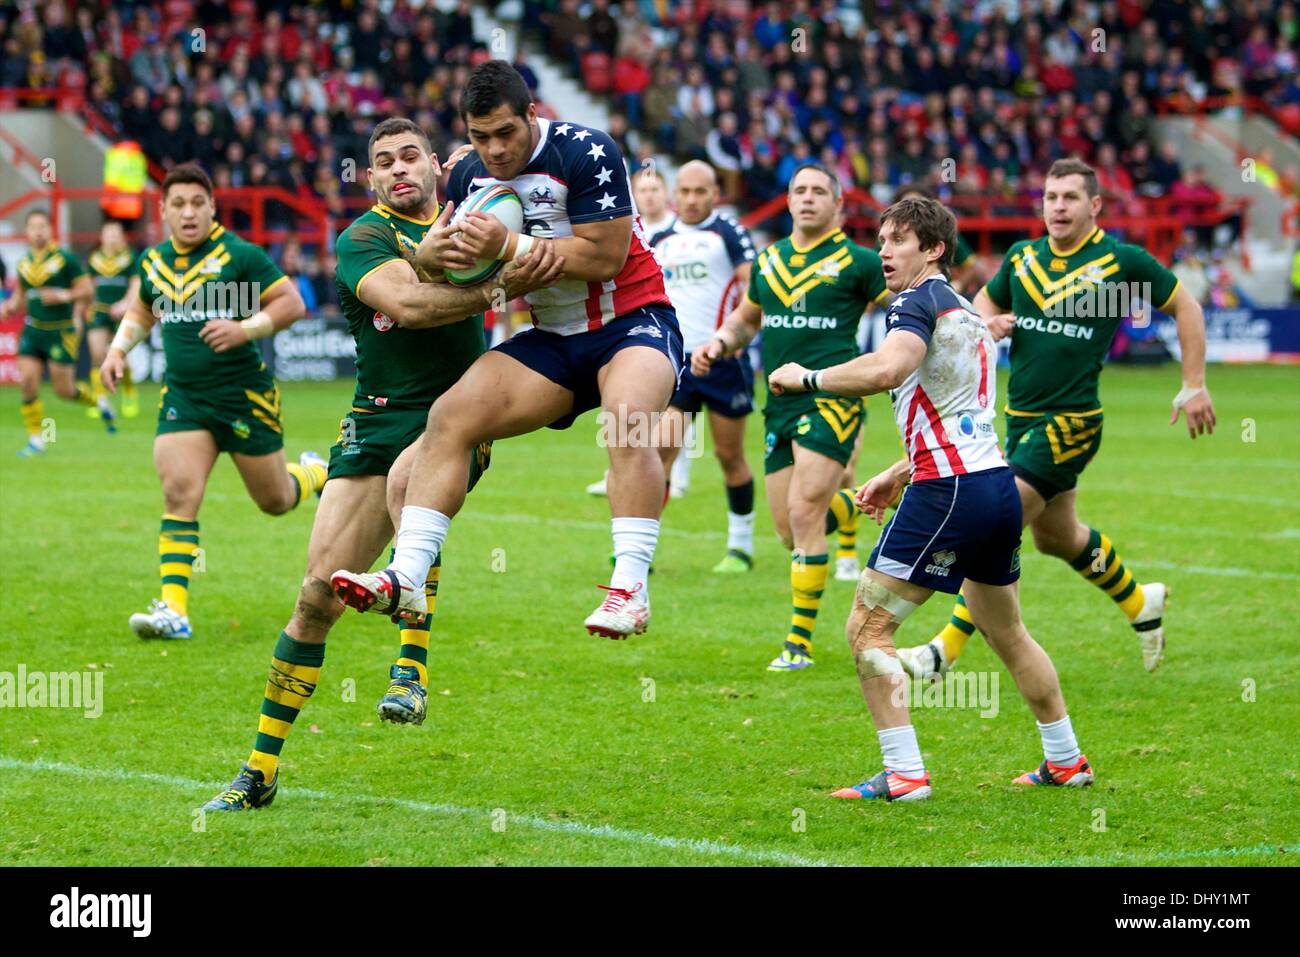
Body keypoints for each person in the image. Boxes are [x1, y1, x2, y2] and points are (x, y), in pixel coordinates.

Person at [201, 119, 564, 811]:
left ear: (433, 164)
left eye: (409, 157)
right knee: (314, 595)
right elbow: (410, 304)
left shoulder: (477, 213)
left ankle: (411, 667)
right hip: (372, 419)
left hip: (457, 413)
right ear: (368, 177)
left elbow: (522, 175)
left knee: (411, 486)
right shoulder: (362, 238)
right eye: (382, 162)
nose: (397, 169)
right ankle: (259, 769)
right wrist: (497, 289)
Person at [330, 60, 680, 640]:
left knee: (628, 420)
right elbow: (465, 273)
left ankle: (629, 588)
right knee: (450, 417)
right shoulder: (469, 176)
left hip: (632, 319)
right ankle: (407, 574)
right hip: (553, 338)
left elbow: (605, 257)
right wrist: (432, 256)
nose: (492, 150)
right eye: (478, 136)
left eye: (505, 133)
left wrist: (511, 243)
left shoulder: (586, 150)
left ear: (532, 116)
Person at [767, 196, 1094, 800]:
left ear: (933, 249)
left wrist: (806, 378)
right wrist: (899, 470)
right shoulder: (966, 310)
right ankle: (1067, 759)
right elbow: (957, 415)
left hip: (950, 493)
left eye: (898, 240)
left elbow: (890, 370)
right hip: (993, 484)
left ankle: (905, 774)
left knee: (867, 630)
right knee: (1009, 632)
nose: (884, 251)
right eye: (881, 239)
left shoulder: (915, 304)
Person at [897, 159, 1215, 679]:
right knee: (1056, 536)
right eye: (1050, 197)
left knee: (994, 521)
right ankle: (1141, 602)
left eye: (1069, 197)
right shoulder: (1023, 258)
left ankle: (942, 652)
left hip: (1070, 423)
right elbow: (981, 302)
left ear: (1095, 205)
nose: (1058, 207)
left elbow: (1187, 308)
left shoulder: (1121, 259)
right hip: (1017, 420)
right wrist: (988, 322)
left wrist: (1194, 383)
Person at [100, 163, 325, 641]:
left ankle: (316, 473)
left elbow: (291, 303)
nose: (188, 213)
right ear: (162, 211)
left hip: (244, 398)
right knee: (179, 494)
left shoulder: (239, 256)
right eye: (177, 204)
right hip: (185, 398)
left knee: (275, 500)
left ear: (211, 208)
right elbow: (143, 309)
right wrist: (119, 349)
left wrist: (245, 328)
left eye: (196, 204)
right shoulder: (154, 262)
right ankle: (174, 611)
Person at [692, 163, 889, 672]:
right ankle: (864, 501)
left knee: (804, 514)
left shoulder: (860, 262)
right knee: (788, 531)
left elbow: (909, 303)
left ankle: (797, 646)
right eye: (799, 190)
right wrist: (719, 342)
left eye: (818, 191)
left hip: (831, 399)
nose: (807, 199)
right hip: (777, 402)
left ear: (838, 205)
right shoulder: (771, 259)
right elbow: (747, 319)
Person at [650, 161, 758, 572]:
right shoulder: (660, 238)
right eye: (686, 192)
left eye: (701, 192)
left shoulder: (728, 233)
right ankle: (643, 550)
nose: (692, 200)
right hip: (676, 362)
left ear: (715, 193)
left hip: (722, 361)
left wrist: (731, 338)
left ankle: (740, 546)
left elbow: (754, 288)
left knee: (728, 456)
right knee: (658, 452)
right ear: (676, 194)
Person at [584, 165, 691, 497]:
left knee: (682, 419)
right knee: (643, 410)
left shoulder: (684, 235)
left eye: (654, 189)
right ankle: (630, 471)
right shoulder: (629, 233)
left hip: (681, 334)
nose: (648, 195)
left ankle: (672, 475)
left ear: (666, 194)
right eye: (641, 190)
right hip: (643, 335)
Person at [1, 209, 112, 456]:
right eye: (33, 226)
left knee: (64, 391)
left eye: (43, 225)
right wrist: (8, 307)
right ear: (27, 232)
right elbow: (20, 297)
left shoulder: (66, 259)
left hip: (61, 331)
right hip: (33, 330)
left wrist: (63, 295)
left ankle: (97, 401)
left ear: (51, 230)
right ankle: (36, 440)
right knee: (28, 381)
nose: (38, 230)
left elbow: (87, 292)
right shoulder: (24, 263)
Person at [84, 220, 141, 418]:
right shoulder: (94, 259)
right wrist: (86, 305)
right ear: (102, 237)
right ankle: (100, 400)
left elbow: (136, 284)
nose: (113, 237)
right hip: (99, 311)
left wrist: (126, 303)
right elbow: (88, 286)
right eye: (109, 233)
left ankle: (128, 391)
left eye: (116, 233)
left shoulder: (130, 258)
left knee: (120, 358)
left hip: (121, 312)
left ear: (122, 237)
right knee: (97, 354)